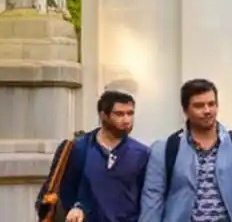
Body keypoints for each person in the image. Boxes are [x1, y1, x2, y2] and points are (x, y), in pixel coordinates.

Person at [139, 78, 232, 222]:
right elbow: (152, 203)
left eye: (211, 104)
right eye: (199, 106)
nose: (207, 110)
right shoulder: (164, 150)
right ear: (185, 110)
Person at [37, 90, 149, 222]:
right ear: (103, 115)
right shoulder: (77, 148)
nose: (126, 120)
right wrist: (75, 207)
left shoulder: (142, 153)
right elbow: (59, 190)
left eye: (130, 113)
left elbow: (147, 198)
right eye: (119, 114)